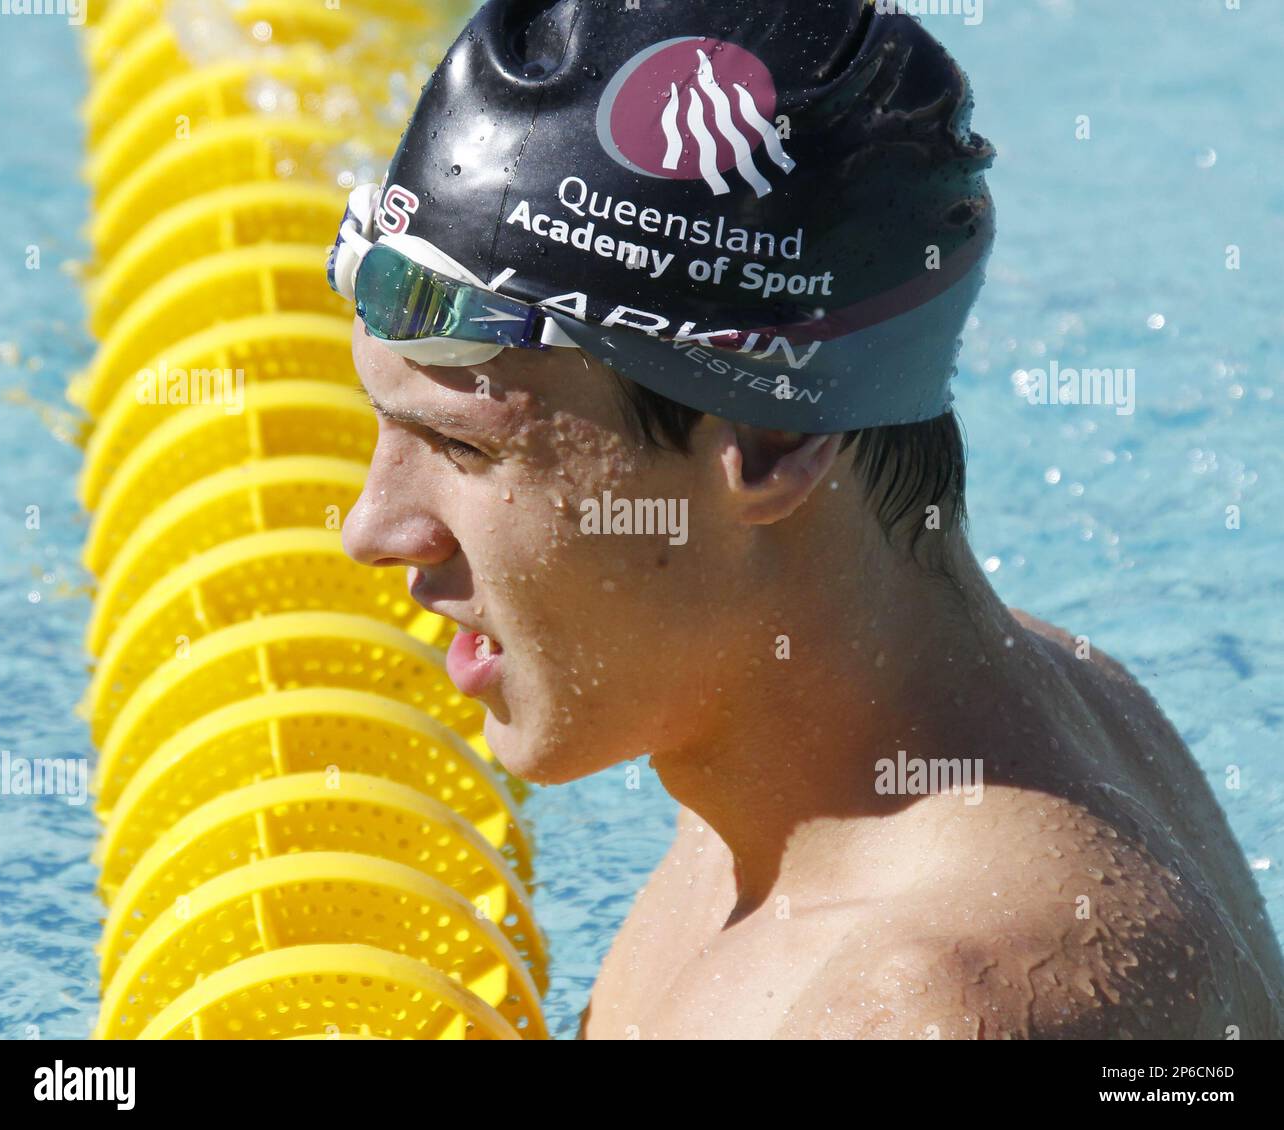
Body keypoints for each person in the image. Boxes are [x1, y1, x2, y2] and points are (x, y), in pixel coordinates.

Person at [331, 0, 1284, 1038]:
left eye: (465, 446)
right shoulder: (819, 753)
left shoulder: (942, 1006)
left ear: (772, 444)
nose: (373, 530)